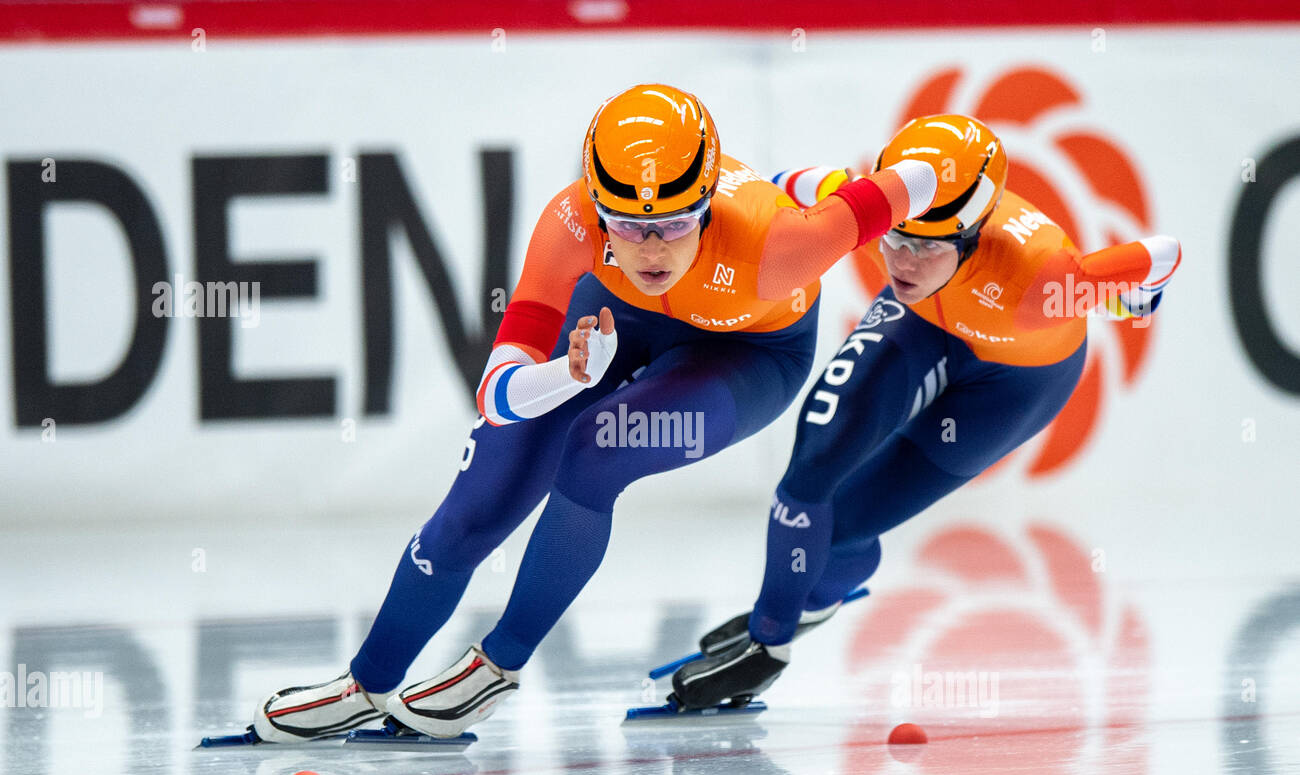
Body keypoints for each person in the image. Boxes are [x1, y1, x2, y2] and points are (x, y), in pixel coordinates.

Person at [250, 83, 939, 741]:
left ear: (706, 206)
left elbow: (923, 178)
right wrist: (565, 373)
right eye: (629, 227)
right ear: (597, 208)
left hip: (747, 353)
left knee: (595, 451)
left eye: (673, 224)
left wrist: (896, 183)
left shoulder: (776, 247)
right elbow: (497, 391)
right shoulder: (571, 221)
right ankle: (367, 681)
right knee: (479, 501)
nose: (652, 249)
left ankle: (499, 664)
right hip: (611, 323)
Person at [670, 113, 1181, 709]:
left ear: (971, 238)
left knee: (846, 527)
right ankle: (776, 628)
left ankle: (791, 620)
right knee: (815, 456)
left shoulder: (1043, 285)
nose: (903, 264)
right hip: (924, 324)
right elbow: (783, 186)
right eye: (894, 240)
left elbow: (1163, 255)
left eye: (925, 248)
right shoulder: (883, 210)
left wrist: (1132, 298)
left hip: (1014, 385)